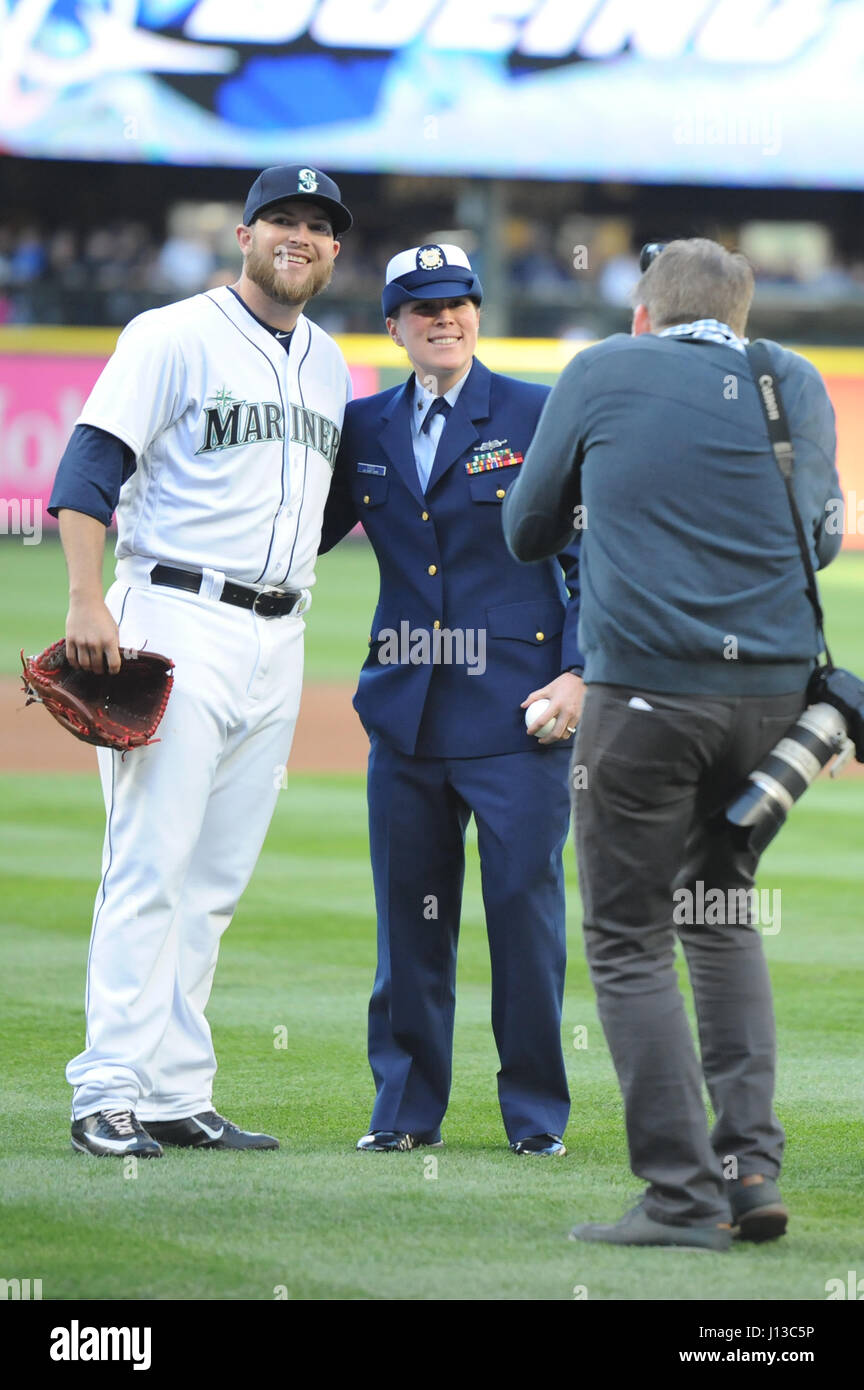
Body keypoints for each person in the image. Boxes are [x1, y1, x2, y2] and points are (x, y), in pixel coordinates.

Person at [502, 238, 841, 1247]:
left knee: (628, 936)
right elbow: (819, 537)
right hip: (777, 707)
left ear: (642, 312)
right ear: (741, 314)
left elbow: (526, 526)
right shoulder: (793, 377)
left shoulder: (604, 367)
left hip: (646, 697)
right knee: (721, 913)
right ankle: (748, 1168)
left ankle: (680, 1196)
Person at [48, 165, 353, 1158]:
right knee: (148, 860)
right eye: (282, 221)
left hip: (279, 634)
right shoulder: (169, 334)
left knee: (214, 878)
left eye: (319, 225)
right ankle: (107, 1088)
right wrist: (88, 600)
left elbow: (329, 504)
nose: (299, 236)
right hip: (176, 614)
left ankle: (178, 1089)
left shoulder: (328, 364)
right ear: (243, 234)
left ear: (336, 250)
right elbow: (88, 469)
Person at [320, 244, 584, 1155]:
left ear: (478, 313)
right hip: (406, 715)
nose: (446, 318)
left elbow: (591, 558)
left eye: (460, 302)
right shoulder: (361, 428)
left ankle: (535, 1120)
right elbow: (294, 535)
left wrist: (582, 671)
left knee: (525, 923)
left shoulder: (536, 413)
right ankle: (402, 1115)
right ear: (393, 326)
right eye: (424, 307)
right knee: (410, 925)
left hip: (522, 717)